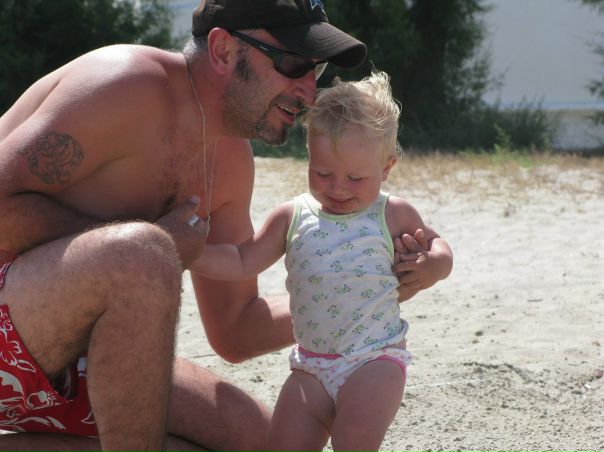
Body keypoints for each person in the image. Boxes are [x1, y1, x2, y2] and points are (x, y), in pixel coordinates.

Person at [0, 1, 375, 450]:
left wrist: (364, 291)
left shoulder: (230, 160)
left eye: (316, 69)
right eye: (294, 63)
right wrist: (155, 244)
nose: (309, 92)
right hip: (18, 334)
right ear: (222, 50)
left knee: (262, 441)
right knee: (140, 255)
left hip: (76, 358)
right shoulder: (126, 84)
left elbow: (236, 330)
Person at [191, 71, 454, 452]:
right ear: (309, 157)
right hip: (311, 365)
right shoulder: (293, 216)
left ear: (386, 168)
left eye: (356, 178)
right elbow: (241, 260)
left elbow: (439, 248)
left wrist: (433, 267)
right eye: (323, 173)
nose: (338, 188)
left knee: (354, 440)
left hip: (374, 359)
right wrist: (191, 253)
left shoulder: (392, 214)